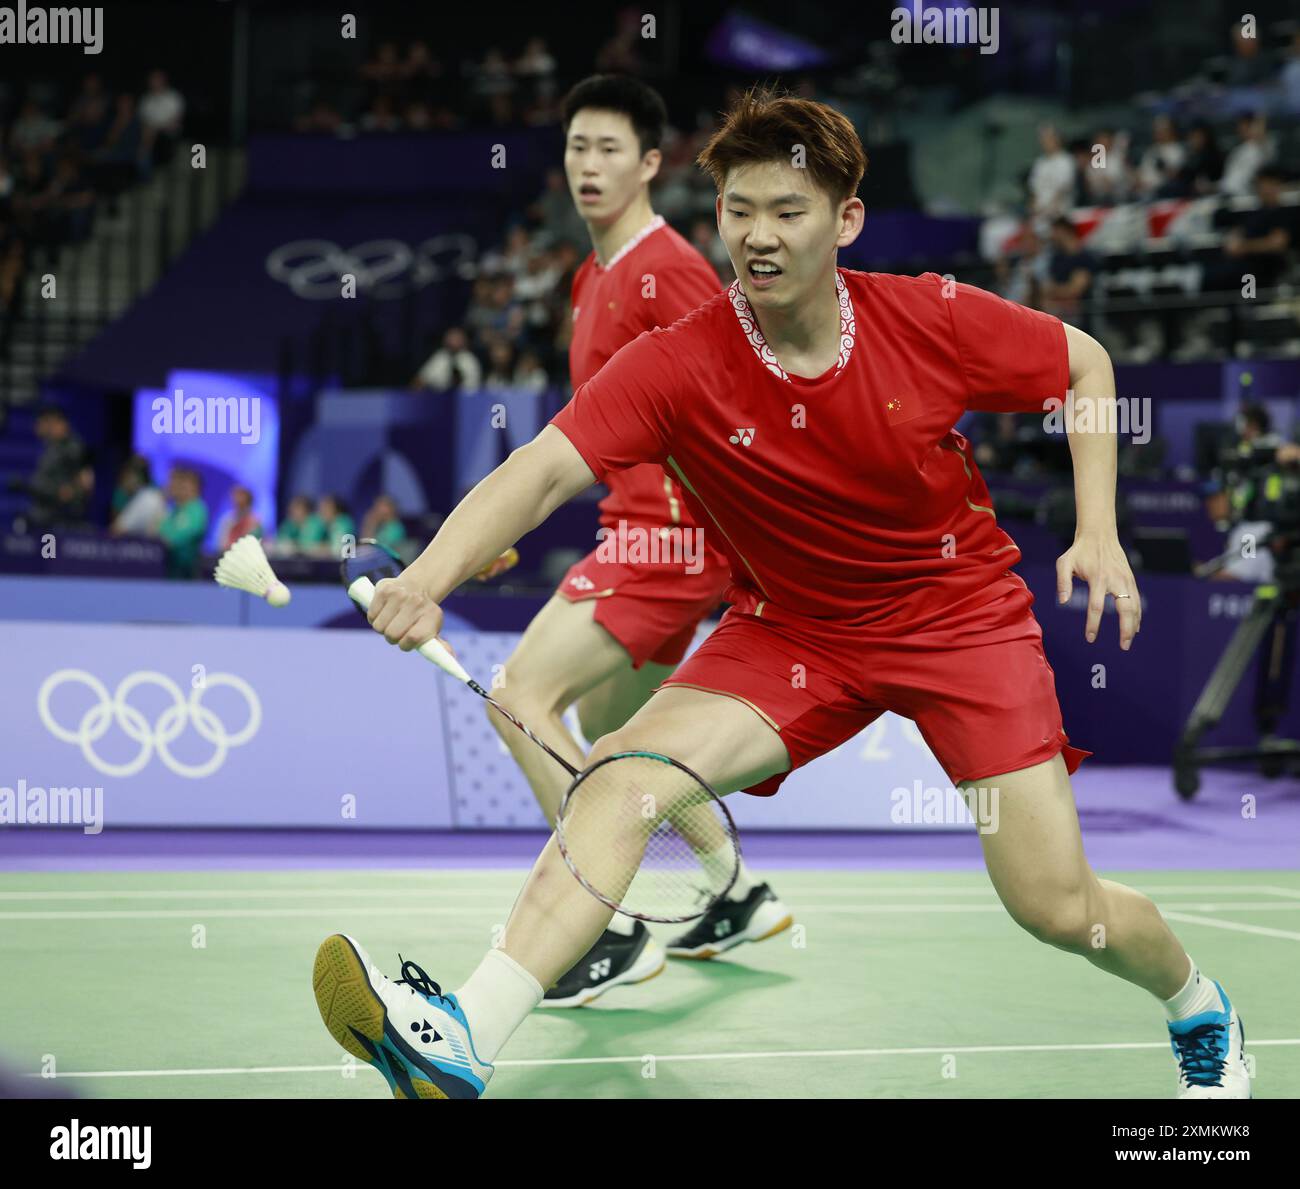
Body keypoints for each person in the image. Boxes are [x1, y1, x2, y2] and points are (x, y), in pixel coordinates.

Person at [314, 90, 1251, 1101]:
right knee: (623, 781)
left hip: (958, 623)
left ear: (845, 219)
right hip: (793, 630)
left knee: (1058, 906)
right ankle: (466, 1034)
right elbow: (542, 469)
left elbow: (1083, 363)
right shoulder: (678, 363)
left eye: (787, 212)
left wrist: (1098, 528)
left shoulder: (925, 317)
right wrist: (427, 577)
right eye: (737, 209)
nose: (757, 237)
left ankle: (1197, 1004)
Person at [470, 76, 795, 1009]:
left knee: (519, 693)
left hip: (671, 540)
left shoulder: (672, 268)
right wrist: (503, 529)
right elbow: (591, 435)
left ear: (651, 163)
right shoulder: (591, 277)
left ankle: (602, 924)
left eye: (610, 148)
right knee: (632, 745)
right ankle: (735, 892)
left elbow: (749, 387)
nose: (589, 165)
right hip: (638, 529)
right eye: (577, 147)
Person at [158, 466, 208, 579]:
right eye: (182, 485)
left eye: (188, 485)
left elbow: (194, 529)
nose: (183, 488)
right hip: (169, 563)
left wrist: (171, 540)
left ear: (196, 487)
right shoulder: (176, 508)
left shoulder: (197, 507)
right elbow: (163, 528)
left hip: (187, 566)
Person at [109, 455, 166, 537]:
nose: (124, 479)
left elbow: (116, 530)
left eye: (128, 476)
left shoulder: (148, 496)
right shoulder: (120, 493)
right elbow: (115, 519)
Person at [412, 327, 482, 392]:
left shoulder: (470, 359)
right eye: (451, 338)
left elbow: (475, 387)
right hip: (439, 398)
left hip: (465, 399)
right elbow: (420, 379)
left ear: (464, 340)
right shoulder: (440, 357)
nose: (453, 342)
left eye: (457, 339)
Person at [216, 484, 262, 552]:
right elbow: (221, 543)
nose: (238, 500)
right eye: (236, 497)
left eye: (242, 497)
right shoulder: (227, 519)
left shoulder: (255, 521)